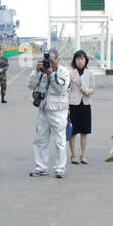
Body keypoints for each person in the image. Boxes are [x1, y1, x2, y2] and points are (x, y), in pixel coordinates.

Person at [27, 48, 70, 178]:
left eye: (51, 61)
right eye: (47, 61)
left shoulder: (64, 72)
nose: (49, 63)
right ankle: (41, 167)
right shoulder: (41, 72)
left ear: (58, 60)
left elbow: (61, 88)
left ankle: (59, 168)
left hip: (58, 111)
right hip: (43, 110)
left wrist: (51, 73)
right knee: (40, 140)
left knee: (60, 141)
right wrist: (36, 71)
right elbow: (30, 84)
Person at [67, 49, 94, 164]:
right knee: (73, 131)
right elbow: (67, 90)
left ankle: (83, 155)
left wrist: (86, 90)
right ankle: (73, 155)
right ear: (75, 60)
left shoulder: (90, 73)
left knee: (84, 131)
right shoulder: (70, 73)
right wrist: (67, 107)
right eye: (78, 59)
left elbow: (93, 88)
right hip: (73, 104)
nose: (80, 61)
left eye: (82, 59)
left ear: (86, 60)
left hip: (86, 103)